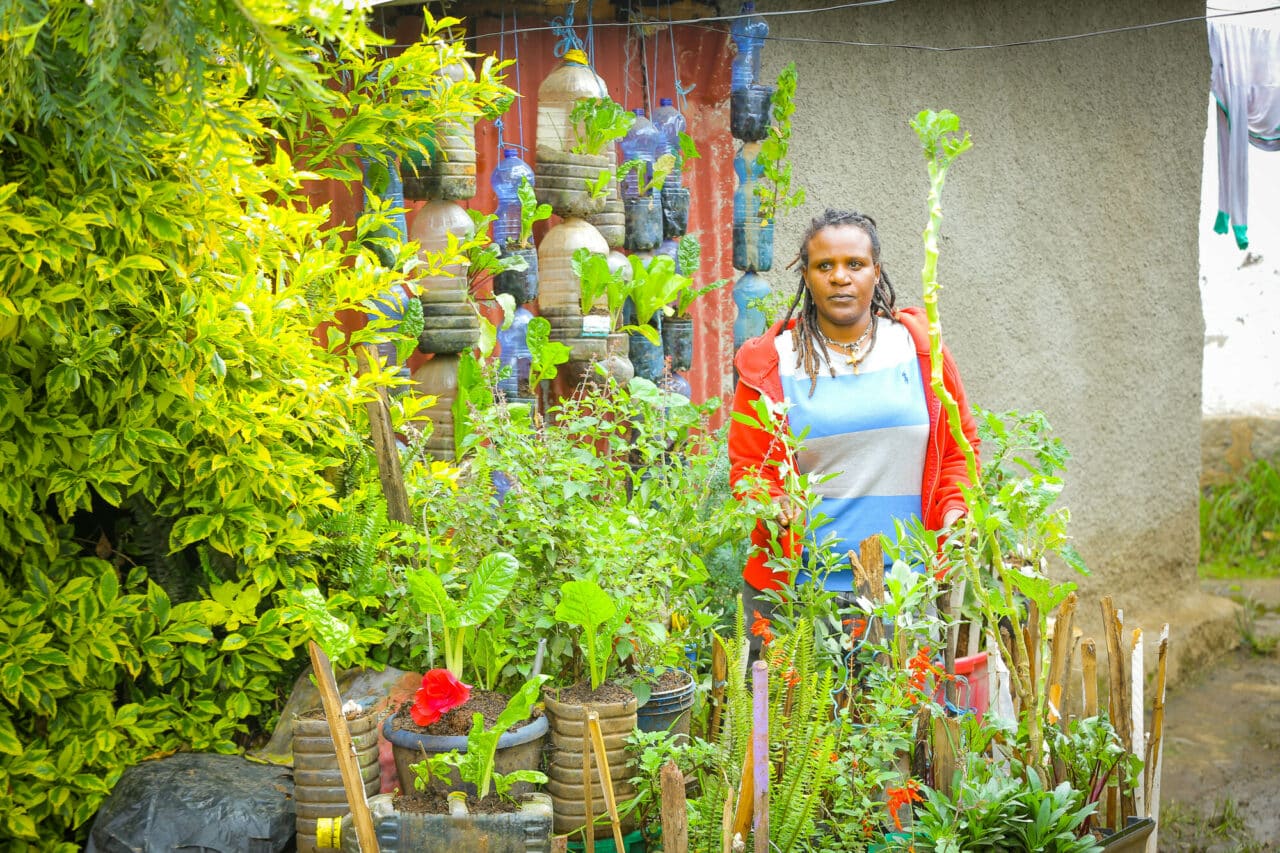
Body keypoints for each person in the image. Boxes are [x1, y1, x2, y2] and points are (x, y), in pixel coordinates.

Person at [727, 208, 980, 631]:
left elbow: (958, 450)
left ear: (876, 273)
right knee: (791, 701)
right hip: (801, 594)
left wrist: (955, 509)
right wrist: (772, 502)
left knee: (901, 699)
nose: (840, 277)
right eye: (825, 265)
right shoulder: (773, 364)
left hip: (904, 592)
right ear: (806, 275)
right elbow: (751, 471)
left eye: (855, 265)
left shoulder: (918, 350)